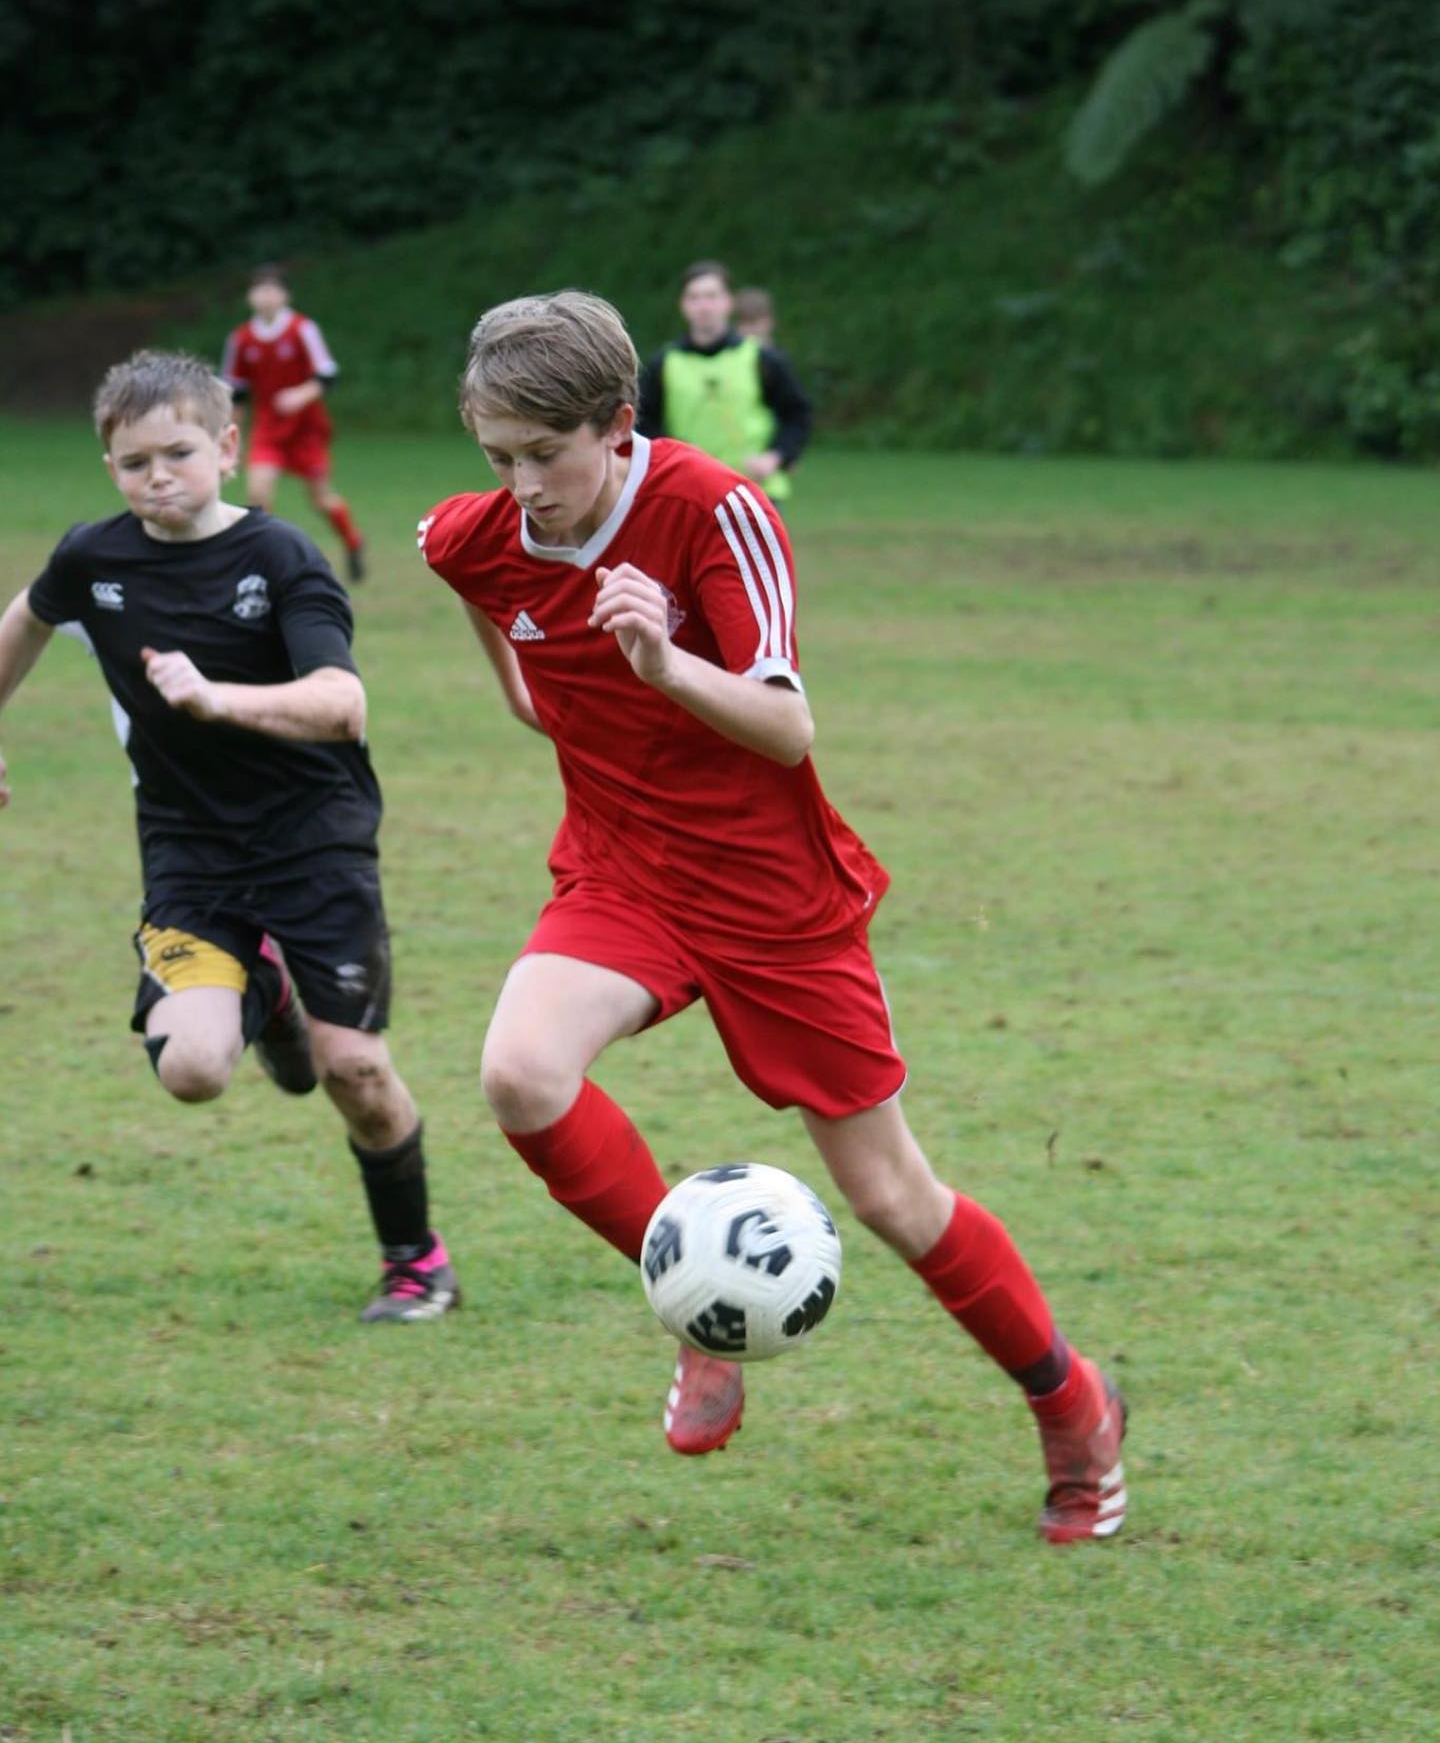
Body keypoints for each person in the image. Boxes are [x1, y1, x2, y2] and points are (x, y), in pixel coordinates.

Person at [417, 291, 1127, 1543]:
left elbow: (788, 722)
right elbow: (519, 673)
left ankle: (1072, 1405)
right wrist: (558, 686)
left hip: (774, 903)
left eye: (547, 455)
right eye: (499, 458)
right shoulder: (472, 539)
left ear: (620, 425)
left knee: (895, 1199)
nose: (523, 486)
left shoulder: (713, 511)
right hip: (625, 876)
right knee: (522, 1074)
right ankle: (702, 1308)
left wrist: (661, 667)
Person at [0, 350, 458, 1325]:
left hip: (315, 842)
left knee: (358, 1074)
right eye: (132, 463)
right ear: (109, 468)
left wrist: (218, 699)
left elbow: (344, 703)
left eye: (177, 453)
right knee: (195, 1070)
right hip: (190, 854)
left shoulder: (281, 558)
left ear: (226, 446)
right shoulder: (95, 559)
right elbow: (27, 623)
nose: (156, 477)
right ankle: (268, 992)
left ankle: (417, 1261)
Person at [221, 266, 368, 583]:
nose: (266, 296)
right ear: (250, 297)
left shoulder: (302, 329)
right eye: (259, 290)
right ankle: (265, 564)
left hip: (306, 430)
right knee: (257, 496)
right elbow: (238, 394)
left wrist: (301, 395)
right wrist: (233, 438)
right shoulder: (241, 339)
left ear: (285, 295)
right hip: (268, 430)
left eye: (272, 289)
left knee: (320, 499)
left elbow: (327, 374)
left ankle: (353, 542)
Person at [636, 260, 812, 506]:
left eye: (711, 296)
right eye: (694, 297)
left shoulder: (761, 358)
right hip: (690, 492)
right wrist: (669, 463)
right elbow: (643, 422)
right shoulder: (664, 363)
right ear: (683, 305)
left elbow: (797, 414)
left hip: (755, 490)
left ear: (729, 302)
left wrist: (776, 456)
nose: (703, 306)